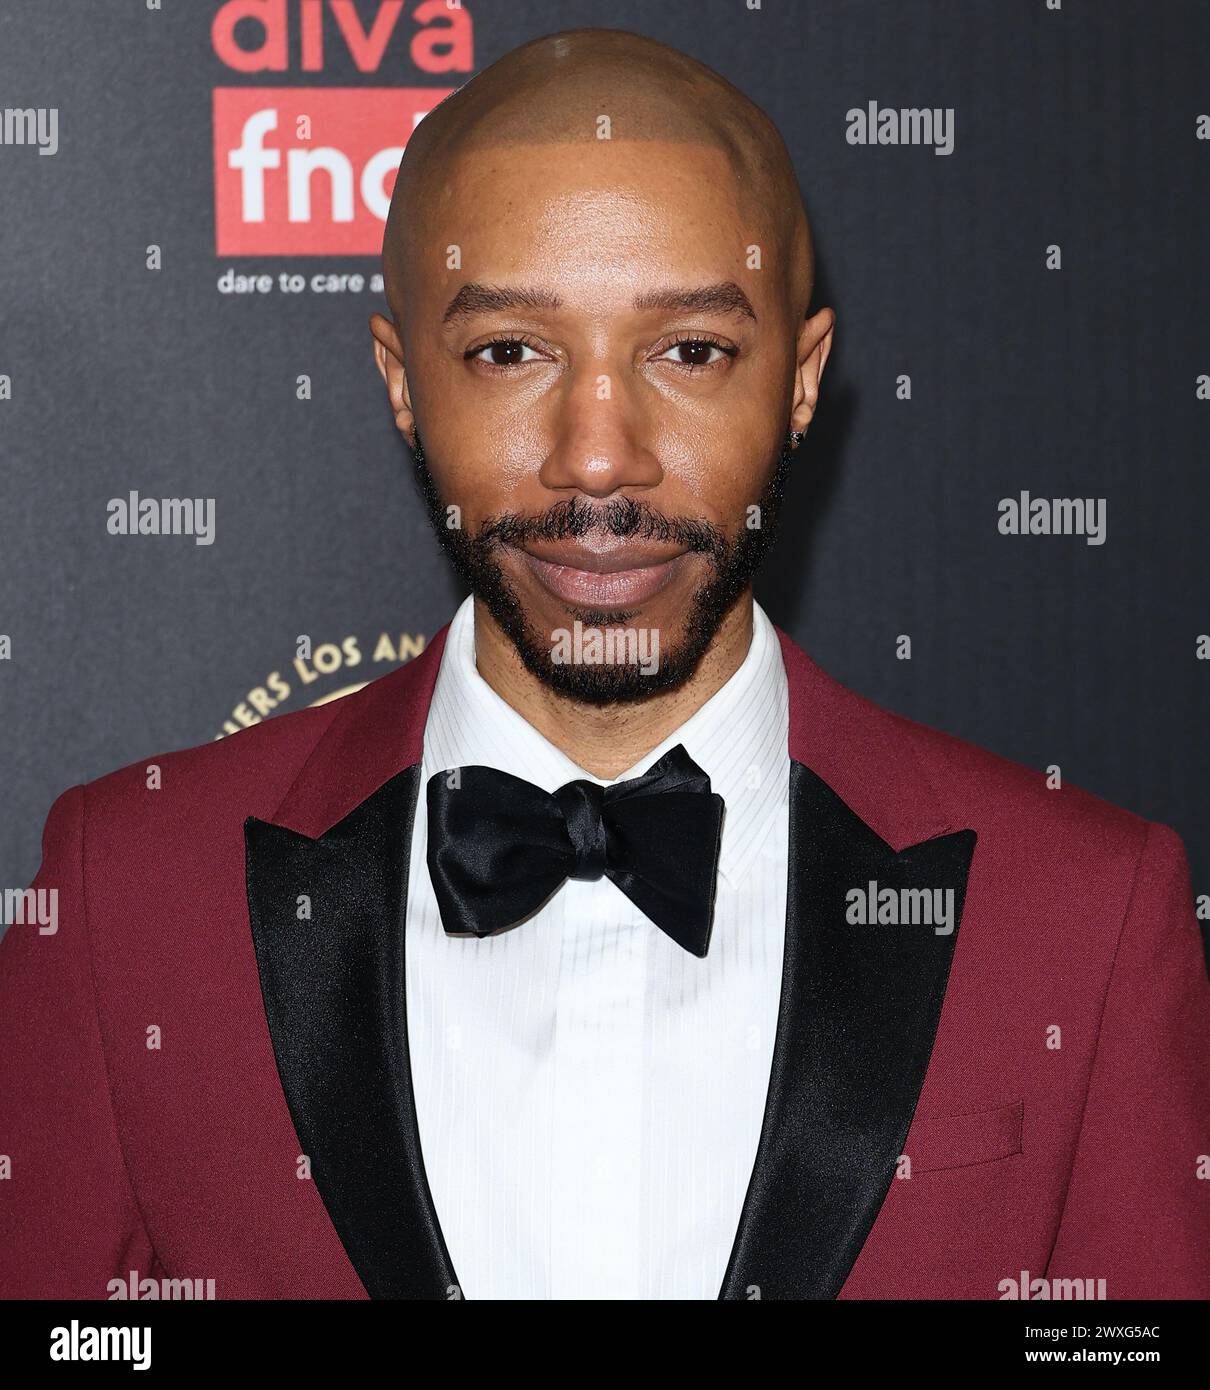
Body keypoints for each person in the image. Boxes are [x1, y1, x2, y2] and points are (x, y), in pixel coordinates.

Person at [2, 28, 1207, 1302]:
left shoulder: (1084, 917)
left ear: (800, 382)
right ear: (401, 381)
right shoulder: (124, 900)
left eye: (689, 350)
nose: (596, 458)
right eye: (509, 351)